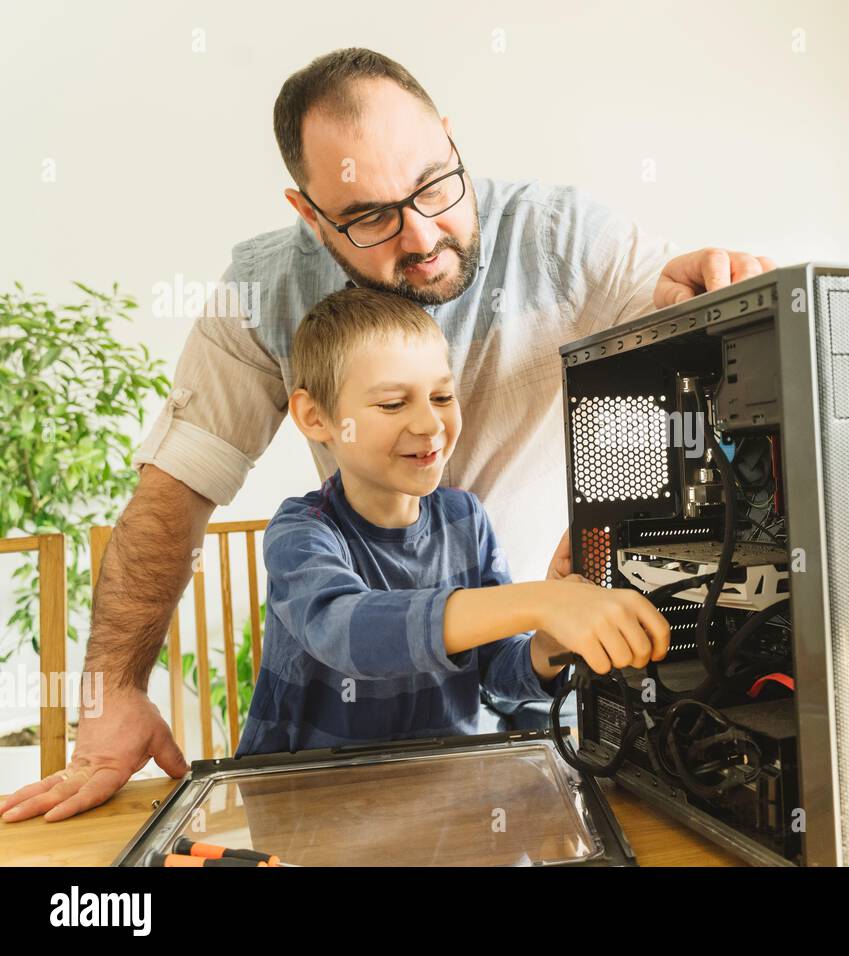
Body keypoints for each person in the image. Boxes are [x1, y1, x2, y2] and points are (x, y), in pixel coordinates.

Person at [0, 46, 772, 822]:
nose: (422, 234)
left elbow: (508, 668)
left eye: (434, 185)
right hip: (316, 799)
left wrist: (691, 320)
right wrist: (118, 688)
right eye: (370, 215)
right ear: (310, 214)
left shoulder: (559, 249)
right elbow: (299, 591)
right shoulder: (302, 520)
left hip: (491, 763)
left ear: (450, 137)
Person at [234, 286, 667, 756]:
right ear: (316, 417)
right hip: (303, 800)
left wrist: (545, 642)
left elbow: (498, 667)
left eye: (442, 396)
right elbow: (346, 632)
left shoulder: (466, 517)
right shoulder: (303, 530)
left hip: (441, 790)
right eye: (393, 404)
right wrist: (541, 600)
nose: (430, 424)